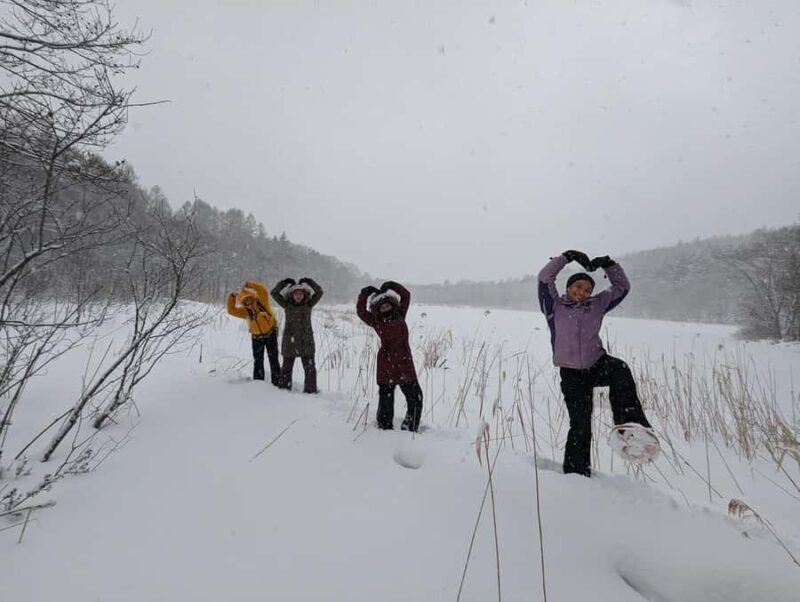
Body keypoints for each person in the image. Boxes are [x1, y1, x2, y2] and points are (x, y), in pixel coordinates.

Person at [538, 250, 653, 477]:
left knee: (619, 369)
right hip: (571, 374)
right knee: (580, 424)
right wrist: (566, 257)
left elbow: (622, 287)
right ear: (568, 288)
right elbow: (544, 277)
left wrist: (609, 265)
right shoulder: (554, 307)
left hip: (596, 364)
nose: (582, 292)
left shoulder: (597, 304)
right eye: (578, 287)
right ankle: (576, 473)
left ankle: (630, 427)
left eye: (587, 289)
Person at [356, 281, 423, 432]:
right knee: (386, 402)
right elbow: (361, 312)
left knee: (416, 398)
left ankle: (410, 428)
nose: (385, 308)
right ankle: (385, 430)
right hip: (386, 366)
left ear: (393, 305)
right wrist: (364, 293)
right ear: (377, 309)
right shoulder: (376, 322)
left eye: (387, 305)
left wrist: (391, 285)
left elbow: (406, 295)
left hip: (405, 365)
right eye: (382, 307)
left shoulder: (400, 315)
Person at [271, 277, 323, 394]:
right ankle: (284, 390)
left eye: (301, 293)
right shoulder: (287, 305)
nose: (298, 296)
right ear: (292, 295)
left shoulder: (309, 305)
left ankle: (310, 391)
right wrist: (284, 282)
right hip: (290, 342)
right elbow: (274, 293)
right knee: (286, 369)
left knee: (310, 369)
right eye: (296, 294)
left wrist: (310, 282)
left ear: (304, 295)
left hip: (306, 342)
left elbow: (319, 292)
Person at [226, 280, 281, 385]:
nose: (248, 302)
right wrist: (232, 297)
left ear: (253, 297)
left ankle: (277, 382)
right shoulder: (245, 311)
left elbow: (263, 290)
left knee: (273, 359)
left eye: (249, 298)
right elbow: (231, 310)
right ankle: (258, 383)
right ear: (242, 301)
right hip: (256, 338)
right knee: (258, 361)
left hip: (270, 334)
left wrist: (249, 284)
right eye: (245, 300)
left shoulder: (262, 302)